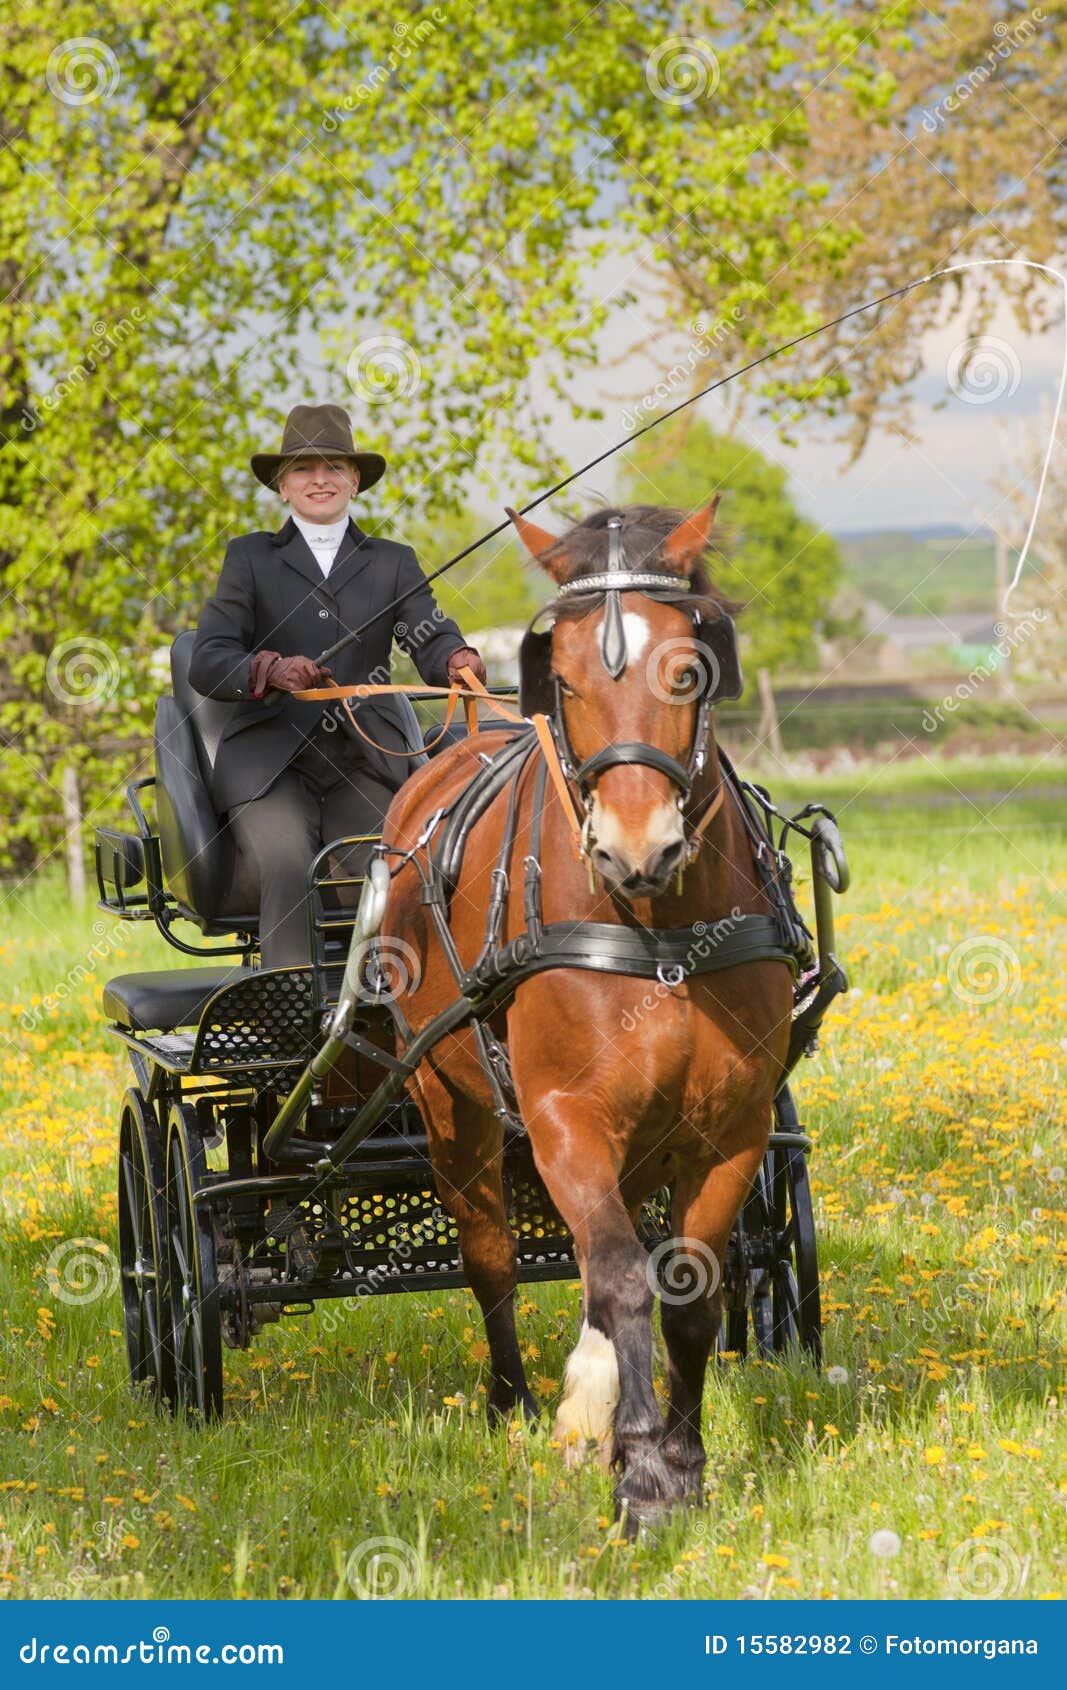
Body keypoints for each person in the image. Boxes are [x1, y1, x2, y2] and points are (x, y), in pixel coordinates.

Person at [188, 402, 486, 968]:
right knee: (285, 864)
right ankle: (290, 1013)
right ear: (282, 486)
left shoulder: (392, 562)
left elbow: (426, 634)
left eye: (333, 467)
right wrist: (269, 669)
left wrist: (454, 658)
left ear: (354, 481)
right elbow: (209, 659)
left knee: (399, 863)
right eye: (302, 468)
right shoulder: (249, 558)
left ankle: (393, 1011)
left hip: (362, 759)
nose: (319, 479)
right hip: (269, 763)